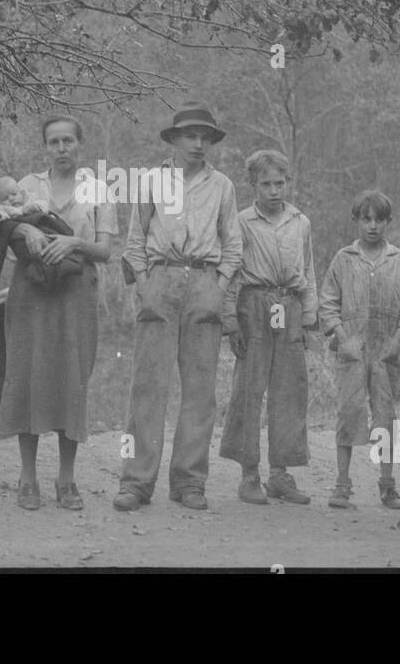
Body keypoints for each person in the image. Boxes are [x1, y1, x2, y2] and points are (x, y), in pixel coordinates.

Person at [114, 101, 242, 512]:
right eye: (191, 135)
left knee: (201, 391)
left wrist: (217, 286)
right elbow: (135, 240)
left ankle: (189, 481)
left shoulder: (222, 186)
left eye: (205, 137)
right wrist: (145, 285)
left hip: (204, 280)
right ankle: (136, 482)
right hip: (160, 279)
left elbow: (233, 244)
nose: (199, 144)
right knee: (149, 386)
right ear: (173, 140)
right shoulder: (152, 180)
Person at [0, 116, 116, 510]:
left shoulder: (98, 190)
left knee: (71, 378)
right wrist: (23, 231)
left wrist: (74, 242)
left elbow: (105, 252)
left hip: (76, 293)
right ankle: (27, 477)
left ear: (80, 145)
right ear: (44, 147)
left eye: (68, 140)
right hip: (30, 291)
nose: (61, 147)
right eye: (54, 141)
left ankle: (67, 479)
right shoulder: (26, 187)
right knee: (27, 375)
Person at [219, 150, 317, 505]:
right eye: (266, 184)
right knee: (249, 390)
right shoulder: (242, 222)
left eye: (280, 183)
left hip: (288, 305)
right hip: (255, 306)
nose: (274, 191)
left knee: (289, 392)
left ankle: (280, 474)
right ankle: (249, 474)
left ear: (287, 182)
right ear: (253, 185)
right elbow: (230, 274)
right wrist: (231, 322)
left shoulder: (300, 222)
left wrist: (308, 317)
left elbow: (308, 271)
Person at [318, 190, 400, 510]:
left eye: (379, 220)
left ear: (388, 222)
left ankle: (387, 486)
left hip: (386, 352)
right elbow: (328, 303)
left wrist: (398, 339)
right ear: (356, 221)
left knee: (385, 417)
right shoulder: (343, 259)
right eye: (366, 219)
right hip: (352, 349)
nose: (373, 226)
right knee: (348, 413)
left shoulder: (399, 261)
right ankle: (342, 484)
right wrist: (343, 338)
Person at [0, 175, 84, 305]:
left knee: (53, 244)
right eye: (5, 198)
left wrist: (32, 209)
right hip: (24, 243)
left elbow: (43, 207)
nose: (11, 199)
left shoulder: (30, 201)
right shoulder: (2, 210)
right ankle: (43, 272)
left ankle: (65, 266)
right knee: (34, 256)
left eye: (13, 194)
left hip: (44, 231)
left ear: (21, 193)